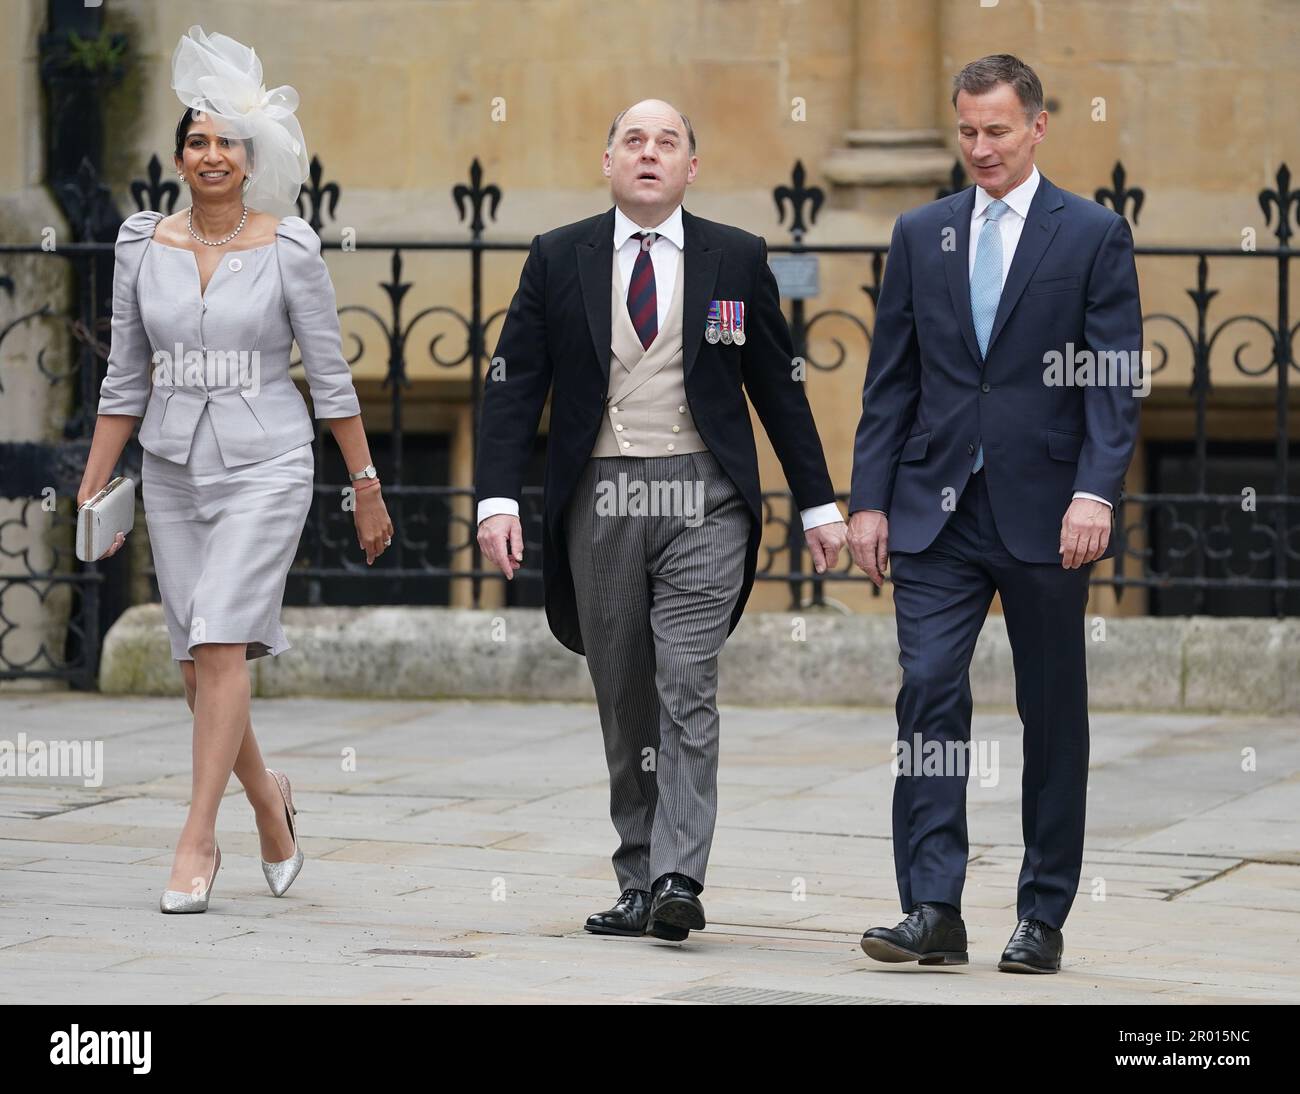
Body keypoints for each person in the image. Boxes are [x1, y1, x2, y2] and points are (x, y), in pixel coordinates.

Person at [475, 98, 846, 942]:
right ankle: (637, 873)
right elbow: (512, 384)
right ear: (607, 163)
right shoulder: (557, 256)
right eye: (633, 142)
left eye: (667, 142)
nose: (649, 154)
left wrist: (819, 501)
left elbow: (778, 389)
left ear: (690, 169)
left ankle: (681, 875)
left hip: (703, 496)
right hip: (600, 494)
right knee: (625, 693)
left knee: (687, 679)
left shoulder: (737, 258)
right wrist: (497, 498)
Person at [78, 26, 393, 913]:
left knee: (219, 638)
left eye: (226, 143)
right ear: (180, 155)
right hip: (173, 467)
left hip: (269, 464)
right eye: (197, 140)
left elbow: (330, 379)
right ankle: (270, 800)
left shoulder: (289, 247)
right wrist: (98, 477)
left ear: (252, 161)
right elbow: (124, 375)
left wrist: (366, 485)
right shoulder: (140, 243)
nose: (211, 155)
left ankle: (195, 840)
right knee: (194, 664)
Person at [849, 55, 1142, 973]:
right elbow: (890, 379)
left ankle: (1042, 915)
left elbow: (1112, 380)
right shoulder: (919, 232)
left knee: (1050, 710)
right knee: (929, 691)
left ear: (1038, 127)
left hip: (1049, 512)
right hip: (934, 512)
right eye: (968, 131)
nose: (980, 148)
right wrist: (867, 499)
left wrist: (1095, 491)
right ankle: (932, 905)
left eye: (998, 131)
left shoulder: (1091, 234)